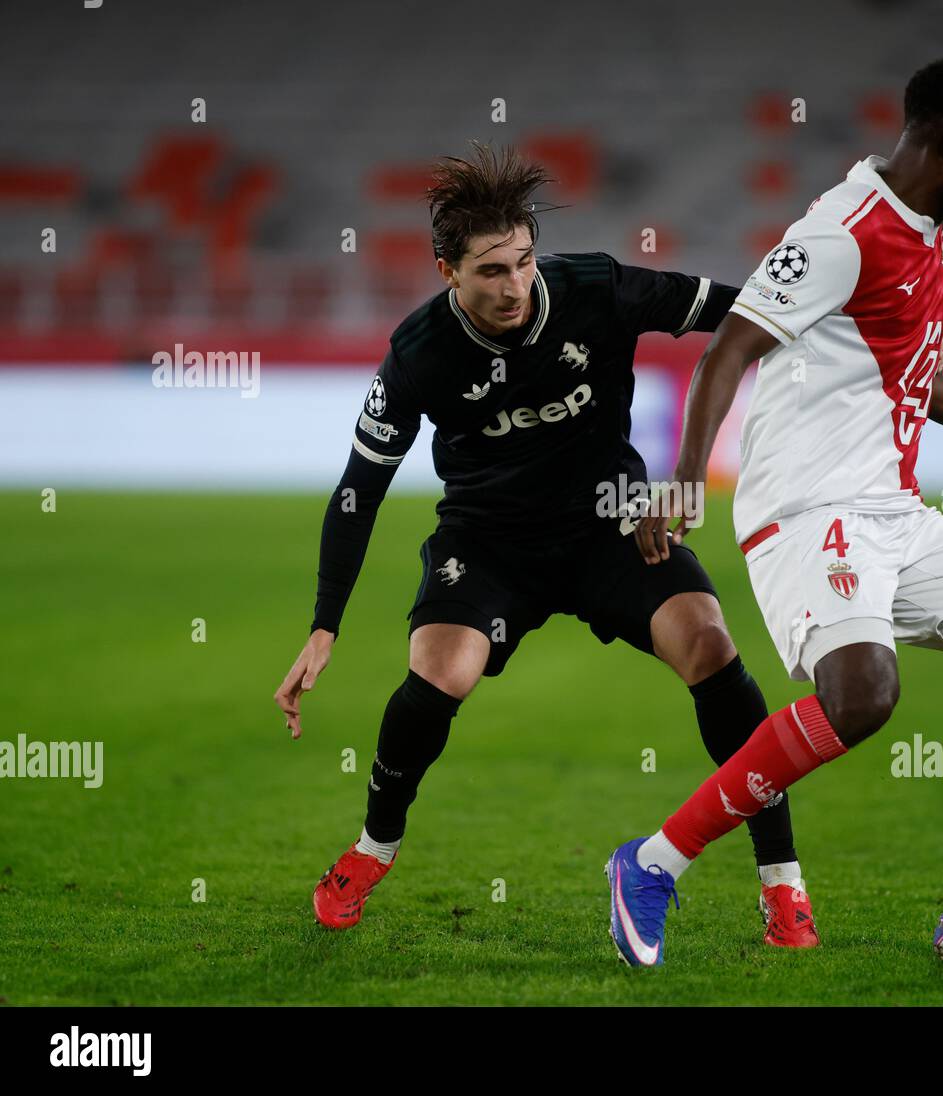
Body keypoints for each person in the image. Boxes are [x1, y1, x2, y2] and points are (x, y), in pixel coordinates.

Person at [606, 58, 943, 965]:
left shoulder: (925, 233)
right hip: (807, 511)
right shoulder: (841, 231)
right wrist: (684, 479)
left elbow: (910, 370)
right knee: (862, 696)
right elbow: (727, 351)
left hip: (892, 512)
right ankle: (651, 863)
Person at [273, 143, 819, 949]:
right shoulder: (418, 353)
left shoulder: (595, 288)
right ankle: (370, 850)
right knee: (440, 670)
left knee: (709, 643)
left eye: (524, 261)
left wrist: (844, 321)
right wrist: (325, 624)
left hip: (611, 522)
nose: (514, 285)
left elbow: (739, 317)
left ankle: (782, 885)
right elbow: (360, 487)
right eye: (490, 270)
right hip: (489, 541)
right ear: (446, 271)